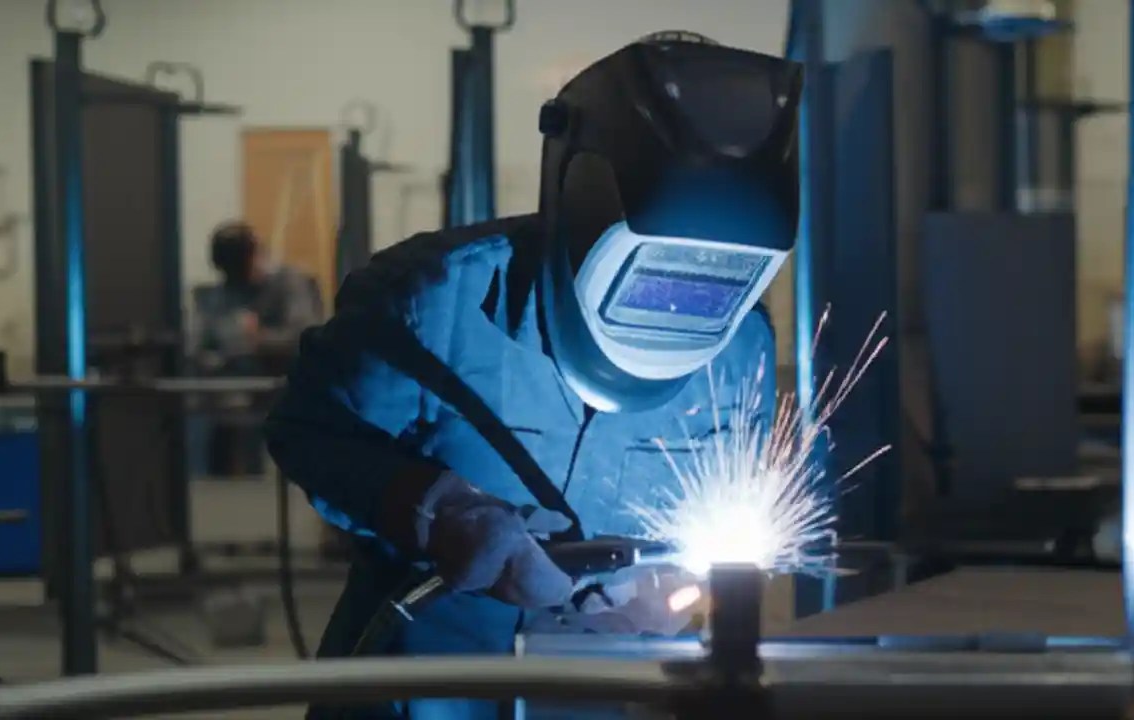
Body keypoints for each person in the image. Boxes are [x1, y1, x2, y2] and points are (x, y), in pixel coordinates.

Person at [265, 32, 801, 720]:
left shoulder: (742, 347)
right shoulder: (435, 301)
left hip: (607, 694)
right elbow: (307, 430)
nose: (677, 304)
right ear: (586, 201)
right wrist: (432, 508)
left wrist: (680, 588)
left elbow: (754, 492)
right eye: (655, 269)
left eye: (717, 282)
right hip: (425, 690)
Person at [197, 222, 323, 477]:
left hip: (283, 389)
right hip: (236, 392)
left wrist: (258, 339)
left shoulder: (287, 283)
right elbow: (206, 342)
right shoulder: (226, 292)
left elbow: (304, 335)